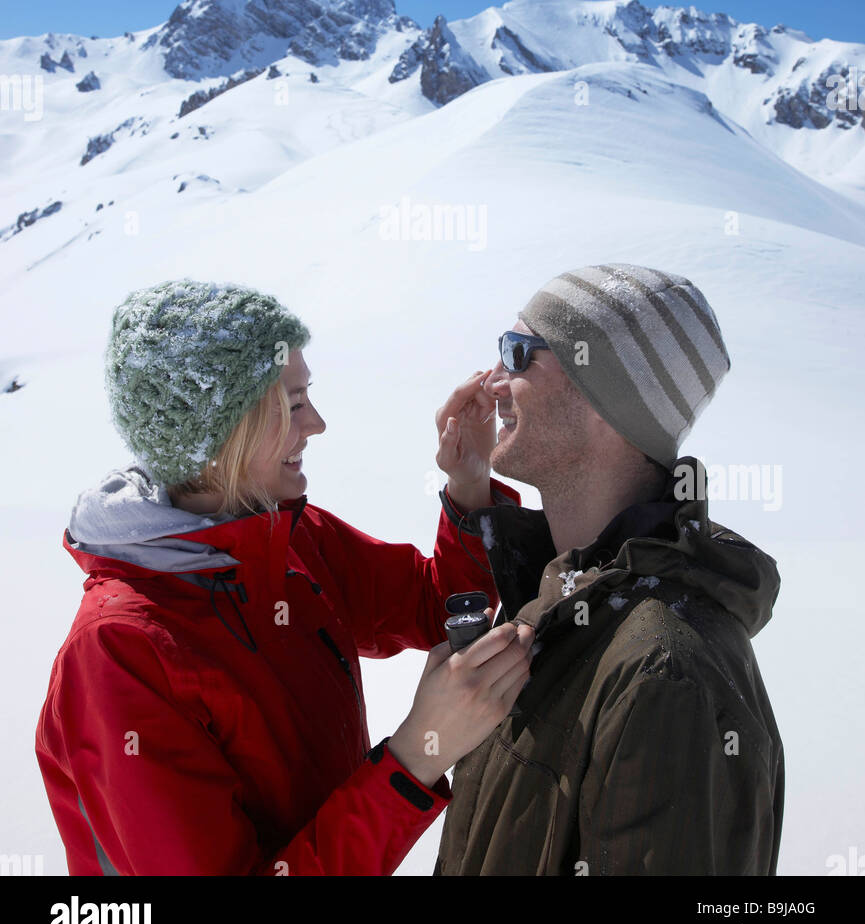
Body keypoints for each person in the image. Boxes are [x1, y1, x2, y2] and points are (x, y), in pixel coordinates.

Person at [35, 279, 533, 876]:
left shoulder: (281, 535)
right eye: (293, 404)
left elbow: (432, 606)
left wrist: (469, 483)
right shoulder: (119, 652)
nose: (317, 423)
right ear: (223, 432)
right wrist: (416, 756)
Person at [433, 263, 785, 876]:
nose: (491, 381)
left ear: (605, 399)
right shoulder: (555, 605)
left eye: (518, 355)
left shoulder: (667, 676)